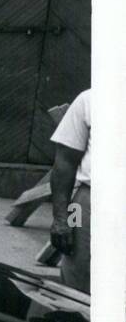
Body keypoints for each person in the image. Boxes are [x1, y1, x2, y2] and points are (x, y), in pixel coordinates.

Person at [49, 89, 91, 293]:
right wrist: (61, 219)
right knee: (75, 285)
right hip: (86, 203)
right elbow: (64, 163)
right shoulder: (89, 99)